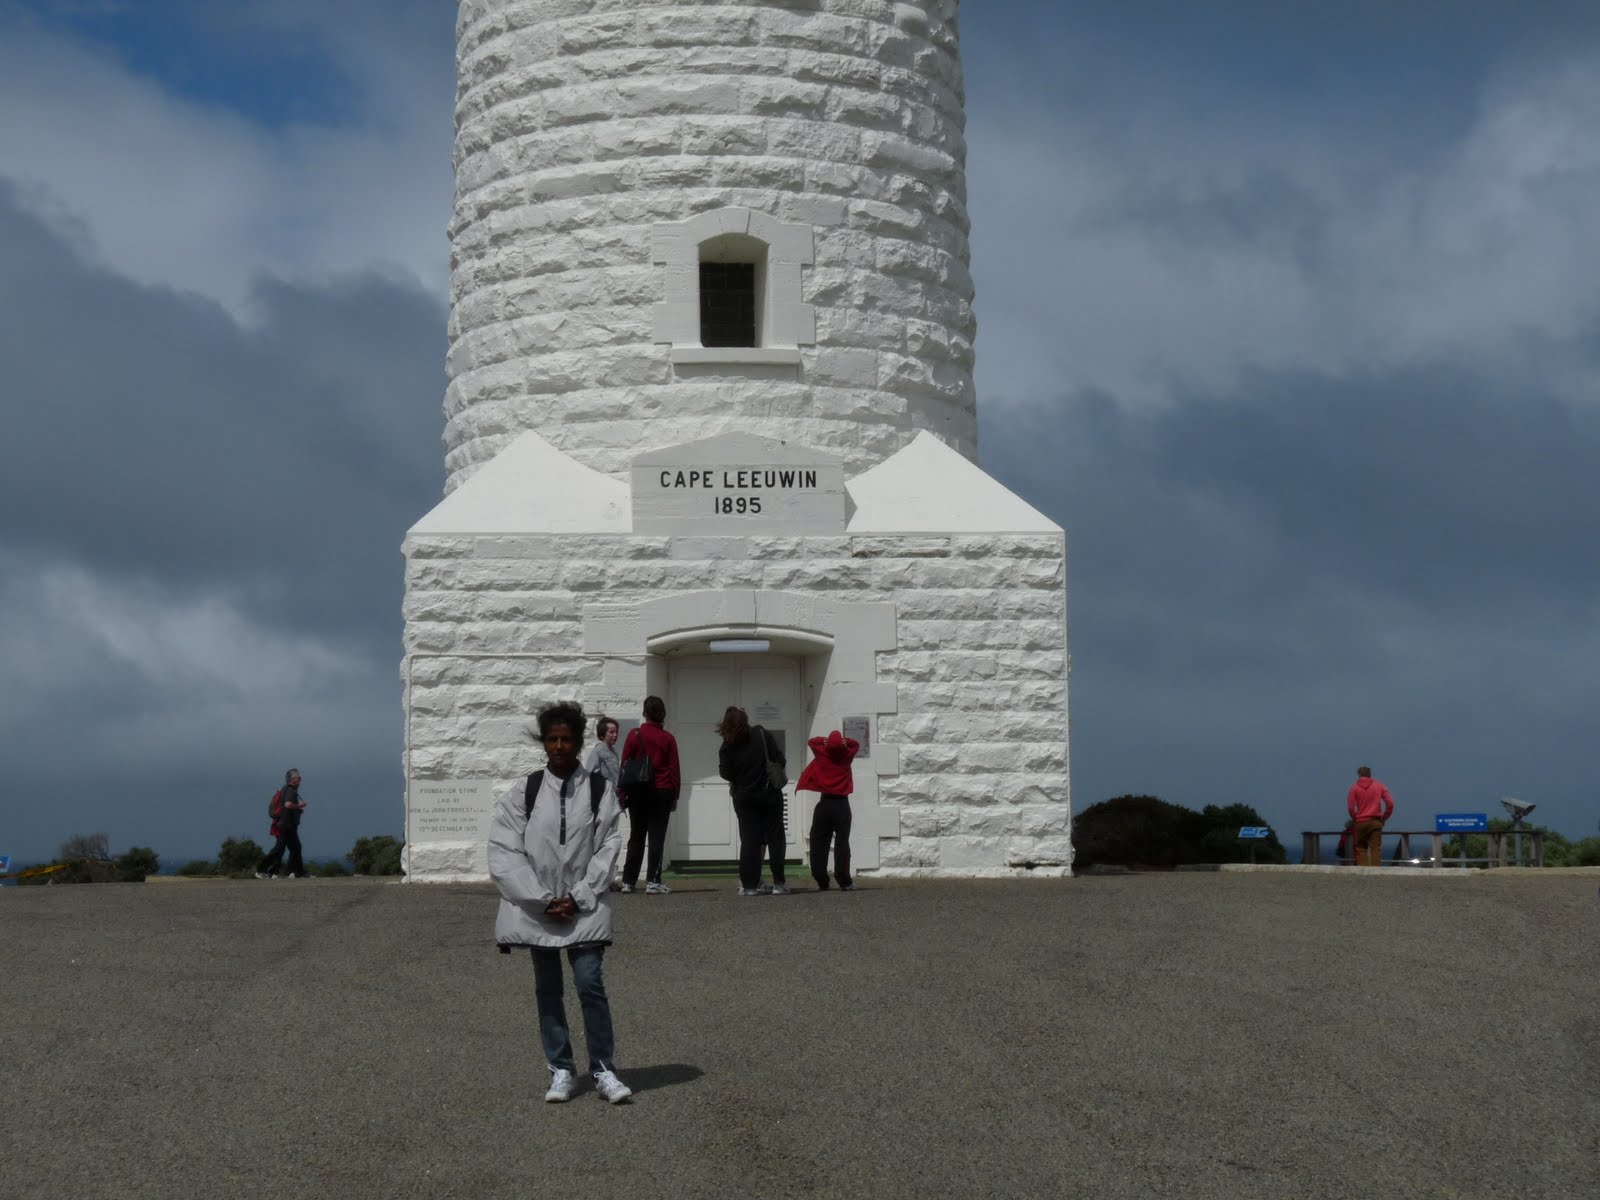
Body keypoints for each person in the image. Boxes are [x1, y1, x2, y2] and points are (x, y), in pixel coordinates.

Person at [487, 701, 631, 1105]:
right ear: (543, 742)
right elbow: (504, 850)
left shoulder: (599, 790)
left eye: (567, 739)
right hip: (539, 911)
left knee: (589, 983)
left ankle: (603, 1069)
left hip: (584, 908)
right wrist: (542, 899)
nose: (560, 746)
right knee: (548, 989)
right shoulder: (525, 791)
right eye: (552, 739)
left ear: (579, 740)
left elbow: (609, 845)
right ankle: (562, 1070)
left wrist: (579, 896)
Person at [716, 706, 788, 896]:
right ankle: (779, 883)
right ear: (746, 719)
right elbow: (780, 759)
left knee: (749, 841)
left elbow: (725, 772)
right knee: (775, 838)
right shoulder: (761, 734)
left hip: (744, 797)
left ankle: (749, 885)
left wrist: (740, 776)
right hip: (769, 794)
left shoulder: (727, 744)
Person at [615, 696, 681, 895]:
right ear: (662, 714)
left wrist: (622, 791)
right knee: (656, 838)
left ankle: (629, 880)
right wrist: (675, 795)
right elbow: (674, 768)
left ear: (644, 713)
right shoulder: (668, 738)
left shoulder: (634, 735)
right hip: (661, 791)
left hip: (637, 792)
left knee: (636, 836)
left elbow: (625, 763)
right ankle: (653, 880)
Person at [797, 730, 860, 891]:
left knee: (818, 842)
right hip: (841, 805)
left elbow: (812, 741)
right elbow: (856, 744)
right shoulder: (847, 756)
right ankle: (844, 880)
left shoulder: (822, 754)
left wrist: (825, 741)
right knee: (842, 843)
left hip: (824, 804)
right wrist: (844, 741)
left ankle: (821, 879)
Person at [257, 769, 309, 879]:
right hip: (286, 825)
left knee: (295, 848)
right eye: (298, 777)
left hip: (286, 825)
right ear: (292, 779)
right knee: (280, 848)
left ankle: (296, 872)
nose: (300, 779)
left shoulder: (286, 789)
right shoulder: (290, 790)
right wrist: (300, 806)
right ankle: (262, 870)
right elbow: (288, 804)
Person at [1346, 765, 1395, 867]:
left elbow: (1351, 807)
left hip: (1360, 821)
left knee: (1361, 847)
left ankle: (1364, 871)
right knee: (1375, 848)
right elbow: (1390, 803)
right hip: (1376, 821)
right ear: (1370, 774)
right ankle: (1375, 871)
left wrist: (1354, 818)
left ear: (1359, 774)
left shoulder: (1354, 788)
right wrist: (1384, 817)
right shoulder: (1379, 786)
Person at [583, 715, 621, 788]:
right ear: (602, 734)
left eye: (616, 732)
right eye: (611, 732)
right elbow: (589, 773)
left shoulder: (614, 752)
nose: (615, 735)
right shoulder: (598, 751)